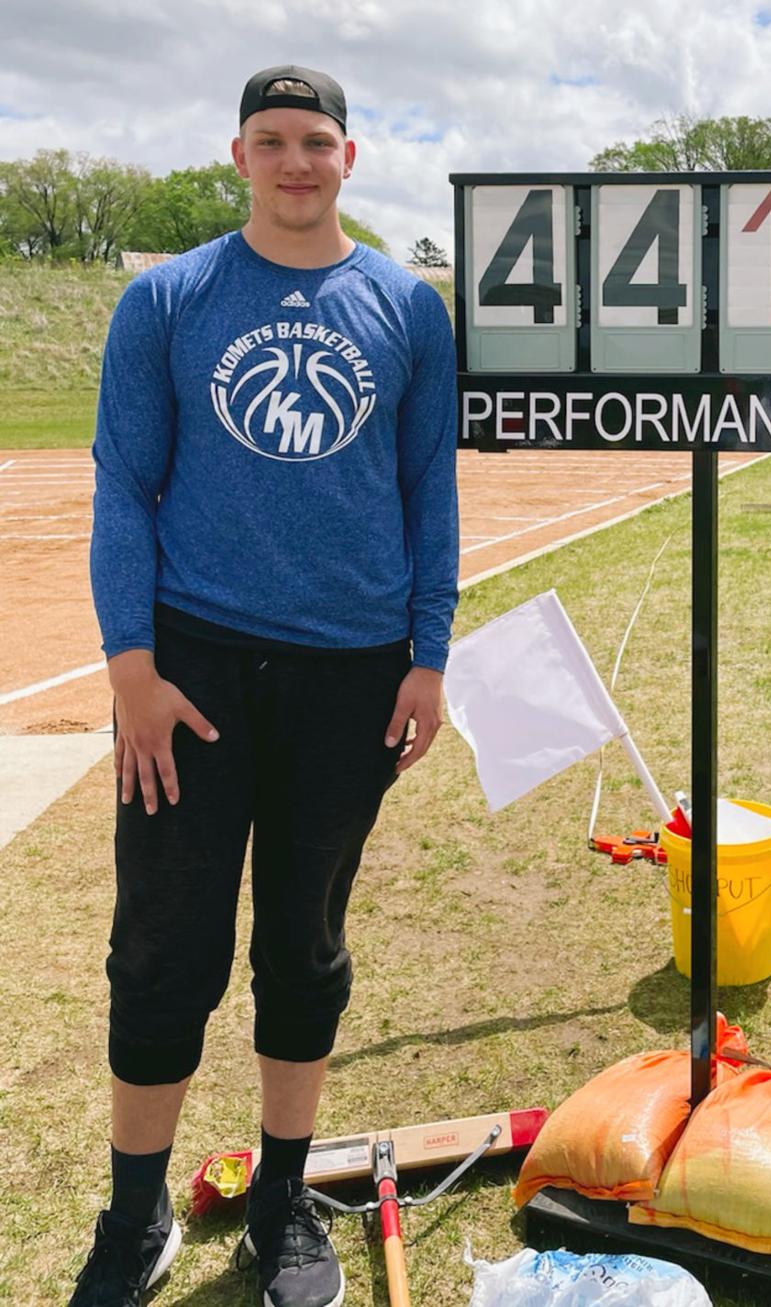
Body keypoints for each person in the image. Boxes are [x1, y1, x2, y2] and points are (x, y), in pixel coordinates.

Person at [73, 65, 458, 1307]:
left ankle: (282, 1199)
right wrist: (132, 667)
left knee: (305, 942)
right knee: (163, 945)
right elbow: (123, 484)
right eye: (273, 140)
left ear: (351, 156)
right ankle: (134, 1215)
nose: (297, 161)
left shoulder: (406, 305)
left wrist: (428, 653)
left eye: (317, 141)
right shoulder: (169, 296)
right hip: (193, 669)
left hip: (352, 672)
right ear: (239, 155)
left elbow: (429, 489)